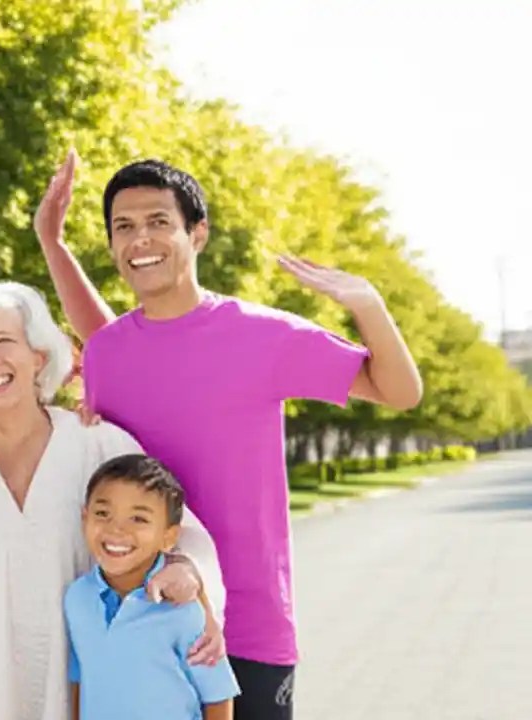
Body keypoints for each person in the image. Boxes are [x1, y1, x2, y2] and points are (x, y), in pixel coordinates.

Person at [32, 153, 424, 720]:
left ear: (198, 233)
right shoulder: (111, 354)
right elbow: (109, 341)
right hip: (141, 620)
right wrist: (52, 242)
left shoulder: (263, 335)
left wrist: (367, 304)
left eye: (159, 222)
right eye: (124, 226)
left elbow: (399, 391)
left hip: (247, 625)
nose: (141, 239)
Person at [0, 280, 227, 720]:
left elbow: (176, 533)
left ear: (40, 357)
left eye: (3, 340)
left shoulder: (99, 445)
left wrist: (183, 566)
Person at [65, 453, 239, 720]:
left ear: (169, 536)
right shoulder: (76, 598)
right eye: (103, 513)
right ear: (84, 518)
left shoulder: (184, 609)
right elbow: (79, 680)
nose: (116, 530)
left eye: (139, 519)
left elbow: (218, 696)